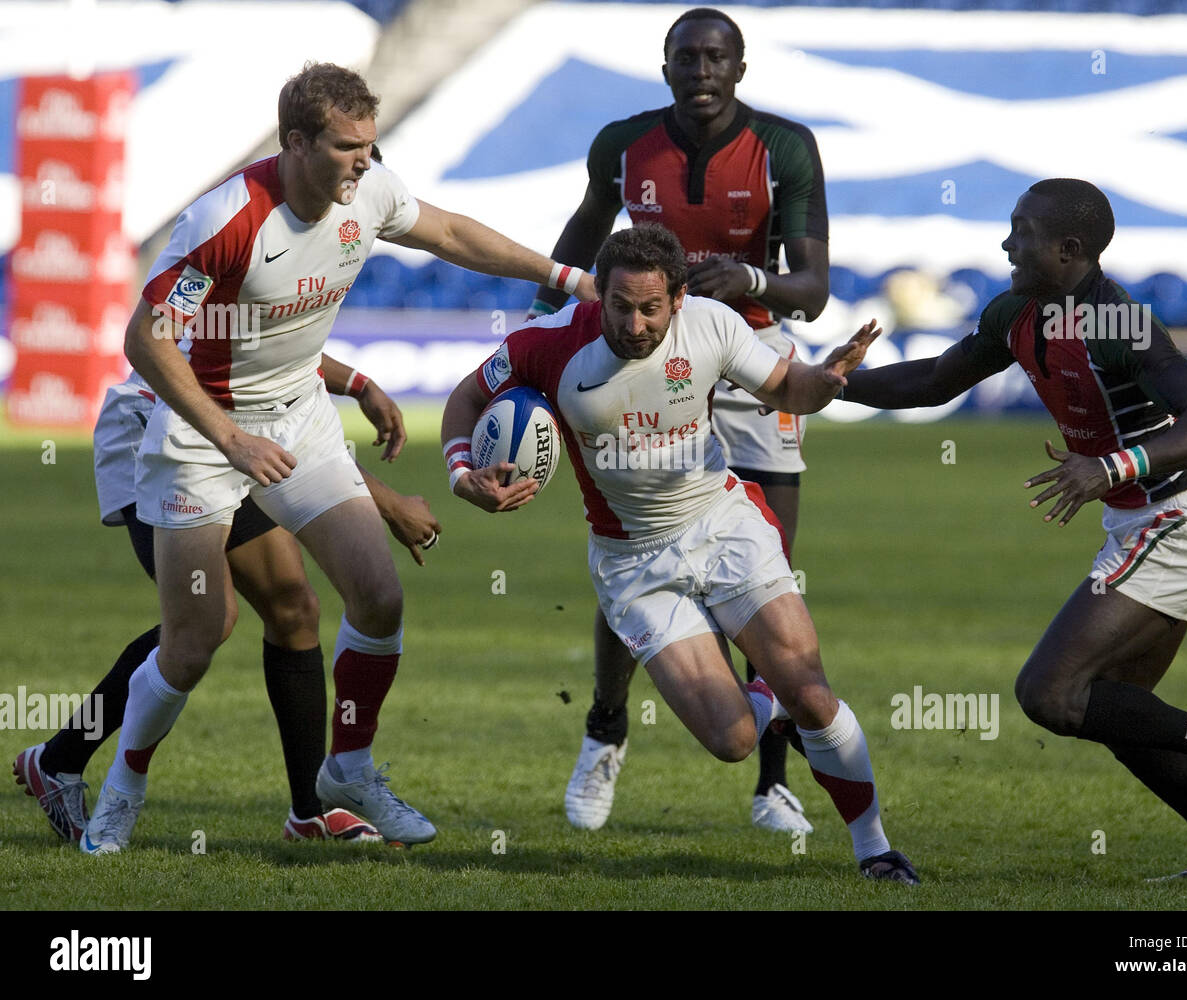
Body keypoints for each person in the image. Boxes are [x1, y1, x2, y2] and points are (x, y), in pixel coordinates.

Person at [76, 61, 598, 855]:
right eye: (349, 147)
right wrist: (229, 437)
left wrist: (563, 276)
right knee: (188, 646)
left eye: (371, 146)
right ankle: (124, 785)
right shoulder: (226, 220)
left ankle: (346, 769)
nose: (365, 161)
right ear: (295, 143)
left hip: (303, 420)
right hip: (202, 440)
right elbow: (143, 341)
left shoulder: (370, 191)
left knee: (378, 597)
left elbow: (452, 234)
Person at [839, 178, 1187, 879]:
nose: (1006, 244)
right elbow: (932, 382)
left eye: (1020, 231)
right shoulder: (1016, 312)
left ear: (1068, 248)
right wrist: (826, 383)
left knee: (1050, 693)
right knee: (1115, 708)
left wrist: (1107, 469)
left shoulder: (1118, 321)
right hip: (1145, 516)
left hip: (1181, 515)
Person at [443, 224, 918, 883]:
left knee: (810, 692)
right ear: (598, 295)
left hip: (723, 527)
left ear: (679, 299)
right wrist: (462, 475)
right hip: (634, 564)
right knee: (733, 741)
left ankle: (875, 850)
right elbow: (468, 398)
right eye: (619, 306)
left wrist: (828, 377)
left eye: (650, 308)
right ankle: (764, 698)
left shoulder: (713, 327)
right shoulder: (545, 346)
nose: (634, 324)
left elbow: (786, 388)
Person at [529, 6, 829, 833]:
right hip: (649, 359)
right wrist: (539, 317)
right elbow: (582, 241)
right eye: (686, 57)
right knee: (635, 550)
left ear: (740, 68)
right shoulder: (622, 146)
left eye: (717, 57)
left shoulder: (787, 147)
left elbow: (813, 288)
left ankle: (771, 784)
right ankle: (606, 726)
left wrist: (752, 281)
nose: (702, 70)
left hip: (751, 361)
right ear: (664, 67)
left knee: (769, 580)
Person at [14, 357, 433, 846]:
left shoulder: (301, 285)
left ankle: (310, 812)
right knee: (203, 622)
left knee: (293, 609)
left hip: (234, 435)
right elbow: (232, 359)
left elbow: (284, 344)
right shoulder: (205, 282)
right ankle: (59, 760)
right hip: (163, 430)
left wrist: (360, 384)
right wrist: (387, 502)